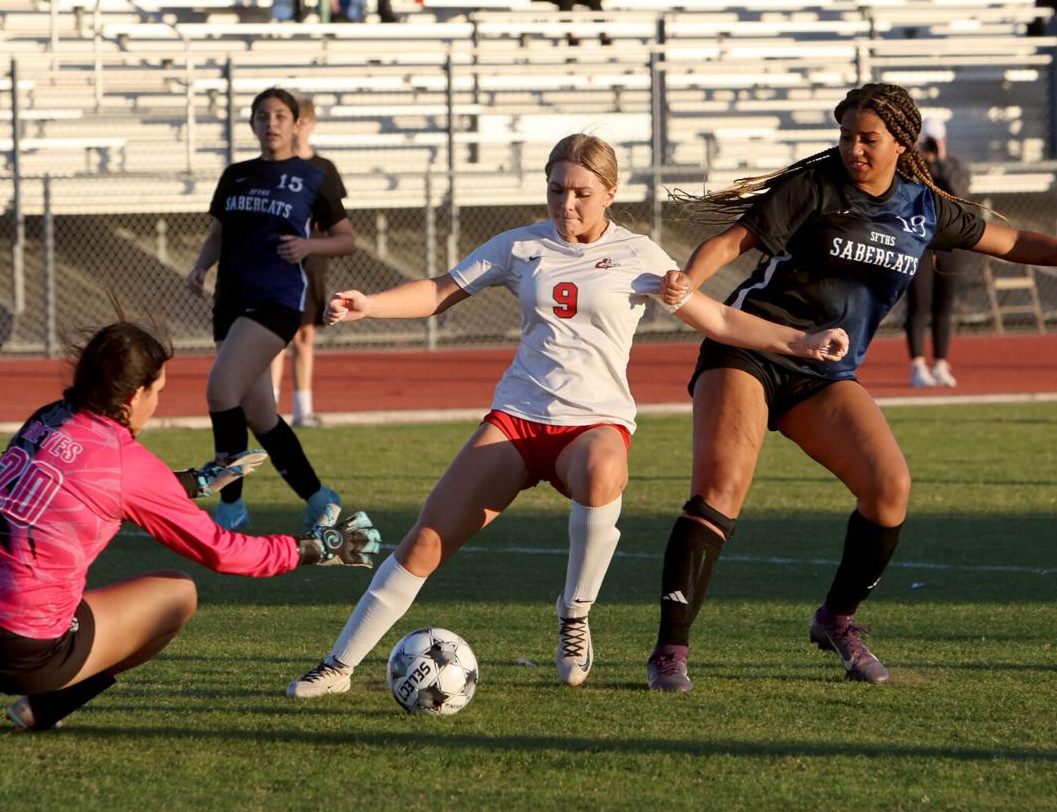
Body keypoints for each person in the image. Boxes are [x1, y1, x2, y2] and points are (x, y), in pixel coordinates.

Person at [285, 134, 849, 698]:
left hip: (593, 425)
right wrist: (370, 306)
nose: (567, 204)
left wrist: (803, 342)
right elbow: (438, 292)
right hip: (517, 421)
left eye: (581, 192)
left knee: (605, 467)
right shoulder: (519, 245)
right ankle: (337, 667)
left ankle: (574, 615)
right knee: (423, 543)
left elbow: (721, 322)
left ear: (610, 193)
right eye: (557, 190)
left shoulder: (640, 254)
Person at [646, 82, 1057, 692]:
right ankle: (670, 650)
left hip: (823, 372)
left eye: (867, 138)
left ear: (902, 142)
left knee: (889, 487)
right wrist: (686, 284)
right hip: (750, 348)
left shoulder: (924, 208)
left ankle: (837, 620)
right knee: (720, 489)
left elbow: (1011, 241)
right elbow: (732, 242)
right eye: (845, 136)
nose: (853, 148)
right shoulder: (815, 186)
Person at [0, 321, 381, 731]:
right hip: (18, 652)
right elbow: (220, 552)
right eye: (158, 390)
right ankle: (41, 708)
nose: (160, 402)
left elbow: (71, 480)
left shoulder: (47, 416)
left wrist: (188, 482)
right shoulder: (126, 461)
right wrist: (315, 547)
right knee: (177, 596)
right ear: (133, 396)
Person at [186, 88, 356, 530]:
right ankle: (319, 496)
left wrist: (308, 244)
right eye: (263, 115)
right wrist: (200, 268)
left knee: (221, 390)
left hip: (277, 300)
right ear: (253, 124)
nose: (272, 123)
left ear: (297, 123)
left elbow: (346, 238)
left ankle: (230, 505)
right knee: (260, 413)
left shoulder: (312, 175)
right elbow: (217, 235)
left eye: (281, 115)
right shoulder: (236, 175)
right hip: (230, 299)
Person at [270, 95, 345, 428]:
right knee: (274, 336)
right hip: (278, 259)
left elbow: (336, 221)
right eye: (293, 121)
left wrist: (314, 238)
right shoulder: (274, 164)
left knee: (305, 336)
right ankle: (268, 410)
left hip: (311, 261)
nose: (297, 128)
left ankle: (303, 409)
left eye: (303, 121)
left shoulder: (324, 168)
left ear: (311, 124)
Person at [904, 120, 971, 388]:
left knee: (944, 306)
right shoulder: (911, 167)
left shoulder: (955, 167)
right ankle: (918, 364)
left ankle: (942, 362)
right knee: (919, 304)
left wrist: (940, 162)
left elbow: (958, 194)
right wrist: (920, 162)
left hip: (949, 243)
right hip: (919, 243)